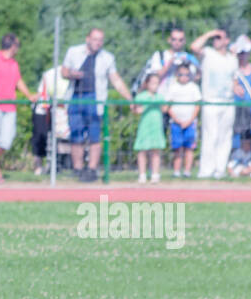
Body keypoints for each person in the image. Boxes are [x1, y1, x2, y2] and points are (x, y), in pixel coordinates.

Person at [60, 27, 132, 181]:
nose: (97, 43)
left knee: (95, 136)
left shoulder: (107, 58)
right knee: (76, 135)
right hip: (76, 97)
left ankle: (92, 170)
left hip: (96, 99)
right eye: (95, 39)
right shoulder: (74, 52)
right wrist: (73, 74)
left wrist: (129, 99)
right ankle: (78, 169)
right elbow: (64, 71)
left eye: (100, 40)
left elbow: (116, 80)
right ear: (88, 39)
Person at [0, 33, 36, 181]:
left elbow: (18, 81)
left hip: (10, 107)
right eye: (17, 45)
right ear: (13, 45)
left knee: (6, 142)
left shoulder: (14, 63)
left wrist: (29, 95)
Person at [191, 28, 235, 178]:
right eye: (215, 38)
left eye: (219, 38)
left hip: (228, 102)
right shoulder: (208, 53)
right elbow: (194, 47)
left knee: (225, 136)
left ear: (227, 40)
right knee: (211, 135)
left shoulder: (232, 58)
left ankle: (219, 169)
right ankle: (206, 170)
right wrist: (209, 33)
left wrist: (237, 88)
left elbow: (233, 78)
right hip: (211, 100)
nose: (216, 40)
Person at [30, 63, 69, 175]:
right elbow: (41, 92)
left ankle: (58, 165)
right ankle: (38, 166)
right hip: (44, 109)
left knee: (60, 137)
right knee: (40, 137)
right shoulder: (50, 74)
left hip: (61, 110)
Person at [165, 62, 201, 177]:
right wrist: (177, 120)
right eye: (181, 74)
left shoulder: (194, 87)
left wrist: (190, 120)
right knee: (177, 148)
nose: (184, 77)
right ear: (177, 75)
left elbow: (197, 105)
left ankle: (187, 171)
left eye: (186, 74)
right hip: (176, 123)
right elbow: (168, 106)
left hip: (190, 123)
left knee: (189, 148)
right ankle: (176, 171)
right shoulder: (173, 87)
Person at [132, 72, 167, 183]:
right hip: (145, 126)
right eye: (152, 83)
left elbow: (165, 109)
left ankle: (155, 175)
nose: (155, 86)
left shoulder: (160, 97)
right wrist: (137, 108)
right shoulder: (141, 96)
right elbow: (135, 109)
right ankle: (142, 174)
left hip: (156, 127)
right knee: (142, 150)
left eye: (157, 83)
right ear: (147, 84)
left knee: (155, 151)